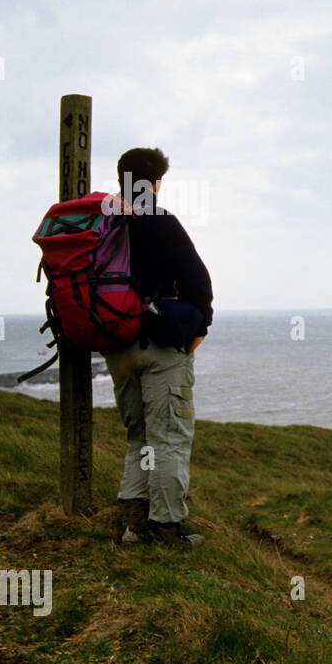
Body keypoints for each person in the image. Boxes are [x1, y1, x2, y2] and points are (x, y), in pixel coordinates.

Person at [102, 147, 214, 547]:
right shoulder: (161, 222)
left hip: (115, 347)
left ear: (121, 179)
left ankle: (134, 527)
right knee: (167, 438)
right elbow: (197, 280)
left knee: (139, 437)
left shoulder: (103, 222)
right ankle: (167, 530)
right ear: (155, 184)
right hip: (159, 346)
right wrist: (201, 325)